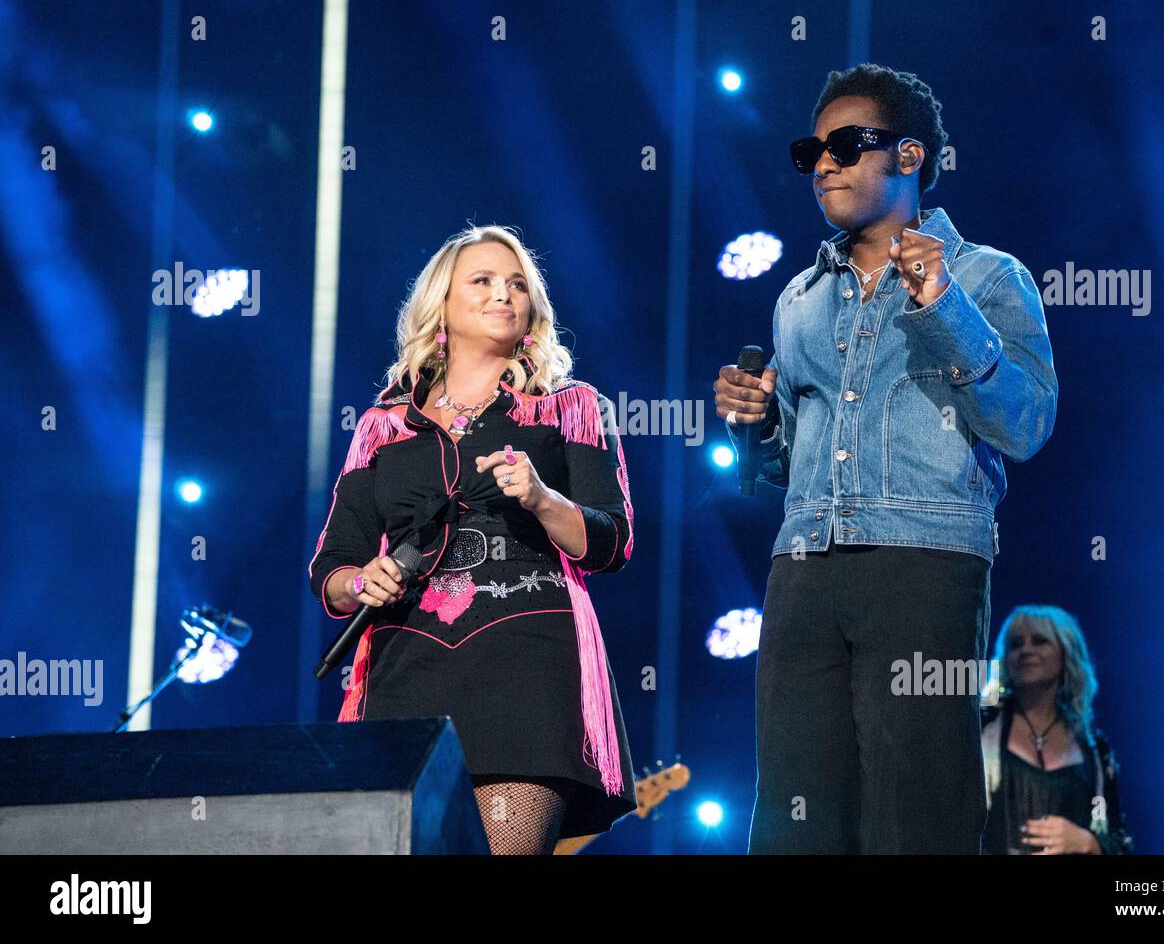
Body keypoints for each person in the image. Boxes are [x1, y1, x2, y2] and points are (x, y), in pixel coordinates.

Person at [713, 63, 1058, 853]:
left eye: (847, 144)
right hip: (803, 565)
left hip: (923, 563)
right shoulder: (798, 296)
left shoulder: (986, 276)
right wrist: (755, 423)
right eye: (812, 151)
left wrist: (941, 306)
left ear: (908, 157)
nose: (824, 163)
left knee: (917, 803)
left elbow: (1027, 424)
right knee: (794, 806)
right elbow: (785, 464)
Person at [309, 224, 636, 854]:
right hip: (406, 667)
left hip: (526, 666)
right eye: (482, 281)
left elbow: (611, 542)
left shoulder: (569, 406)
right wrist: (360, 579)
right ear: (442, 308)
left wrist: (543, 498)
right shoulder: (382, 425)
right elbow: (332, 564)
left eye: (517, 284)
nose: (503, 294)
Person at [982, 605, 1133, 854]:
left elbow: (1121, 840)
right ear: (1005, 659)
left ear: (1066, 654)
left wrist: (1088, 842)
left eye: (1040, 641)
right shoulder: (981, 728)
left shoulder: (1094, 748)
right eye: (1016, 643)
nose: (1026, 650)